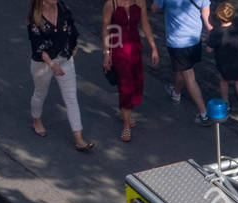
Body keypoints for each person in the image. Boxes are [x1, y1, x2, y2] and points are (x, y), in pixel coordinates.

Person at [27, 0, 95, 150]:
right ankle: (36, 120)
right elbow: (38, 47)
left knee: (71, 97)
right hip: (43, 64)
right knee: (40, 93)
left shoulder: (62, 7)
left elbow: (71, 27)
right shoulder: (35, 17)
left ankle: (79, 138)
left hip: (64, 58)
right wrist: (52, 65)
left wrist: (74, 46)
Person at [102, 0, 159, 142]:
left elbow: (145, 23)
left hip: (134, 48)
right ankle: (126, 125)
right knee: (126, 85)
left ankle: (124, 111)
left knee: (137, 83)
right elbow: (105, 28)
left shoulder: (140, 2)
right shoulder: (111, 4)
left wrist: (153, 47)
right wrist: (107, 53)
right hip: (118, 48)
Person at [151, 0, 211, 125]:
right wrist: (208, 28)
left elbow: (154, 8)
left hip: (178, 41)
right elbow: (205, 10)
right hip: (194, 38)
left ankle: (203, 114)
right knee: (183, 69)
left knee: (189, 76)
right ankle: (176, 93)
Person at [207, 2, 238, 126]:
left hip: (223, 64)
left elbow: (209, 49)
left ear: (218, 17)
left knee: (223, 82)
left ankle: (225, 104)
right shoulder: (237, 28)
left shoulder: (217, 32)